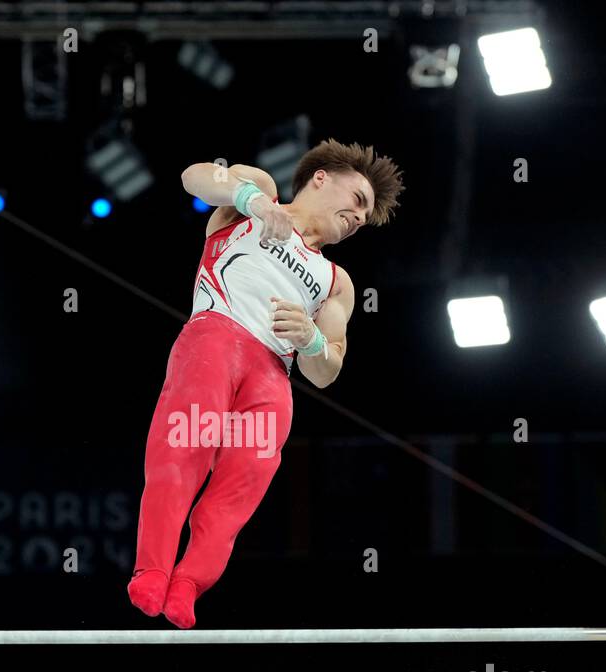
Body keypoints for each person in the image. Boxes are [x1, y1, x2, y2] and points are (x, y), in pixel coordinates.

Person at [128, 139, 404, 628]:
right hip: (215, 336)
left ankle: (190, 580)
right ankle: (153, 569)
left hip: (272, 375)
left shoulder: (336, 282)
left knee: (245, 480)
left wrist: (313, 340)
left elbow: (327, 371)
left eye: (365, 218)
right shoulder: (259, 194)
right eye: (358, 200)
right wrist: (250, 201)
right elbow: (193, 175)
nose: (359, 217)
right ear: (322, 177)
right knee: (183, 452)